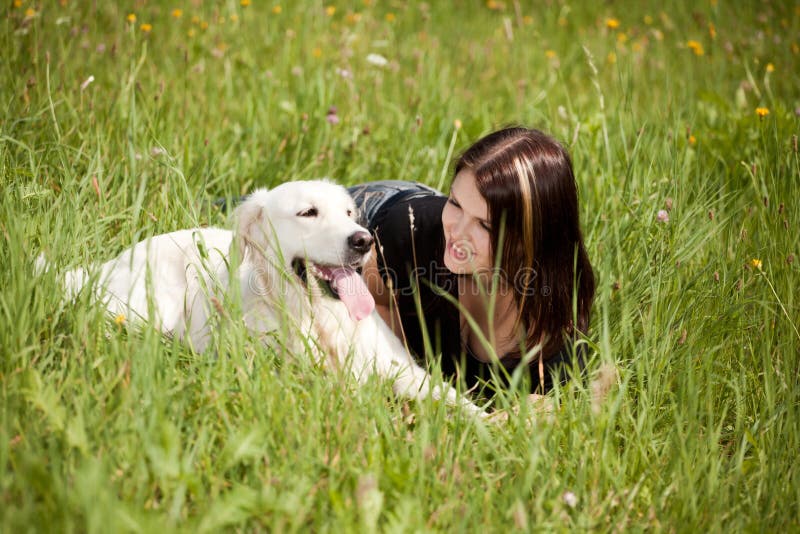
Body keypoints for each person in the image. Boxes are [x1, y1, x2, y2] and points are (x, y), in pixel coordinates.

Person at [348, 126, 595, 398]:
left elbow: (560, 402)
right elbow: (363, 312)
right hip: (379, 214)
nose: (458, 233)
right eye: (455, 202)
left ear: (532, 240)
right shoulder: (411, 234)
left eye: (485, 226)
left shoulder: (553, 327)